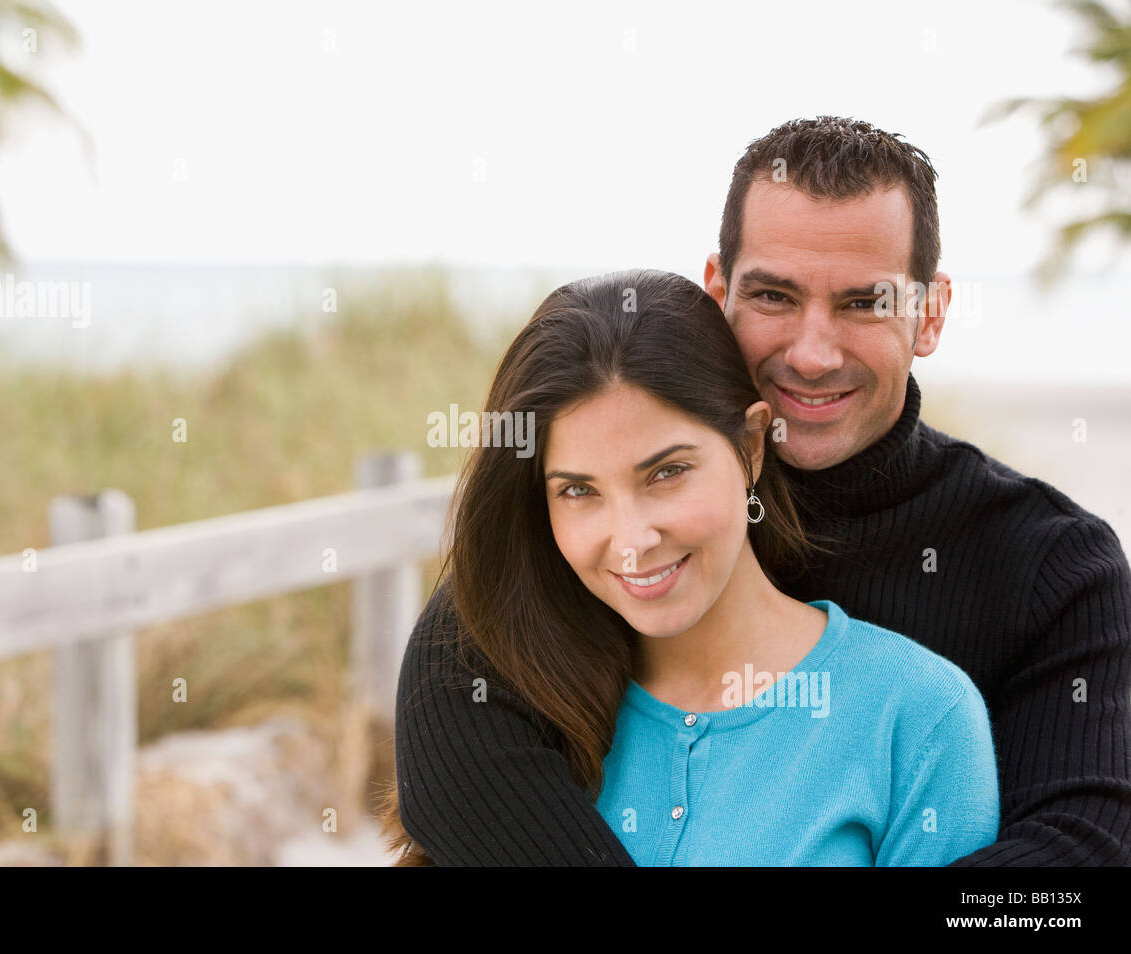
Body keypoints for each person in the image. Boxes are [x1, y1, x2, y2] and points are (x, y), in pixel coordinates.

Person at [382, 116, 1131, 866]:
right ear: (719, 292)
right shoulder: (604, 542)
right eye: (774, 296)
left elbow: (1085, 852)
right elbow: (455, 739)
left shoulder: (1053, 568)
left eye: (863, 303)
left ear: (929, 314)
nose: (812, 354)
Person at [383, 267, 1000, 865]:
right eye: (578, 490)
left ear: (751, 446)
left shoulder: (919, 718)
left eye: (667, 473)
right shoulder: (520, 705)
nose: (631, 540)